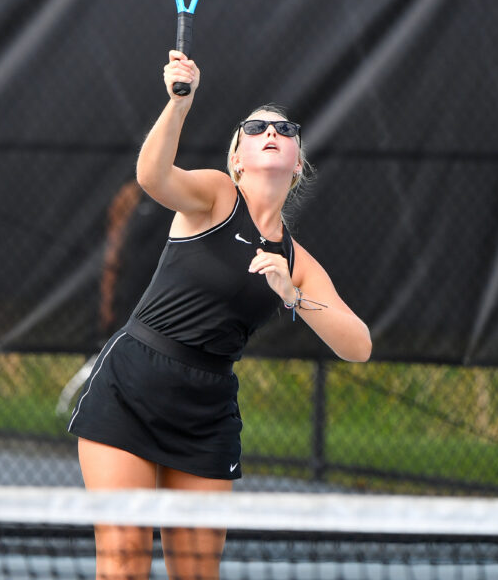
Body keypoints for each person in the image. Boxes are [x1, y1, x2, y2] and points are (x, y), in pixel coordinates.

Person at [68, 50, 372, 580]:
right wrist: (178, 104)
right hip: (130, 387)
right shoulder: (215, 195)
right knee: (123, 560)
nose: (272, 132)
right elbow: (152, 176)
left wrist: (293, 295)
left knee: (196, 572)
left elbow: (358, 345)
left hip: (206, 413)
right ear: (238, 158)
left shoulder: (297, 262)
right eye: (256, 128)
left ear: (298, 161)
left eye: (285, 128)